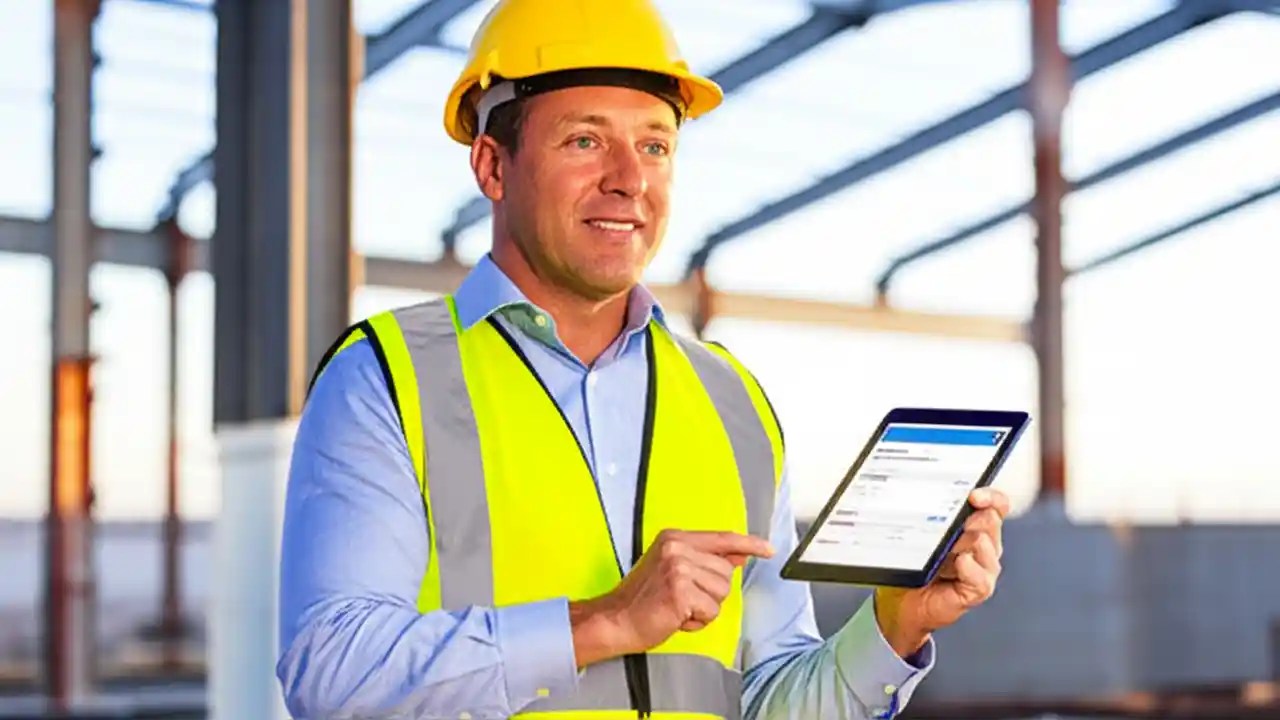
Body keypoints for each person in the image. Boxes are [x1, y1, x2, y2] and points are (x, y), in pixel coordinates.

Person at [275, 1, 1011, 718]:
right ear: (492, 166)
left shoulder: (732, 401)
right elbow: (330, 671)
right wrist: (603, 621)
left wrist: (892, 628)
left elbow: (769, 704)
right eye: (585, 141)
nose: (630, 178)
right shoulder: (387, 377)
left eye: (656, 145)